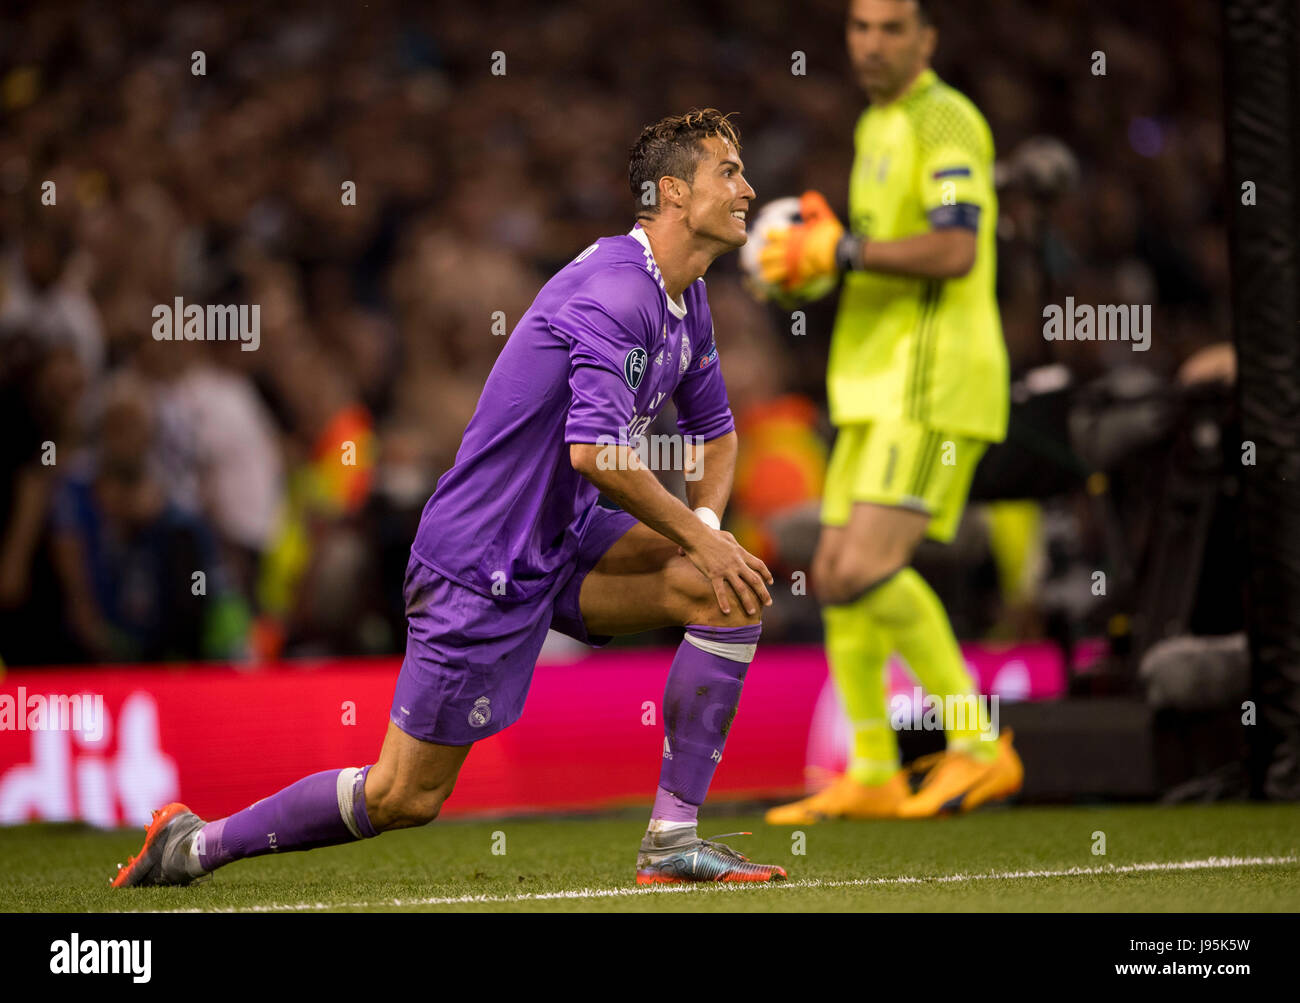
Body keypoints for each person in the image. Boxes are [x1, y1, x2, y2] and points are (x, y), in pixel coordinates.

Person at [112, 108, 788, 888]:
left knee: (729, 586)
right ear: (673, 192)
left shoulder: (684, 296)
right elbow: (596, 452)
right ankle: (194, 843)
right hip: (481, 559)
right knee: (405, 794)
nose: (748, 188)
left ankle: (673, 841)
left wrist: (706, 528)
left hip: (560, 541)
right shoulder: (615, 293)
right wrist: (702, 536)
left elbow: (717, 431)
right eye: (728, 173)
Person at [761, 0, 1022, 822]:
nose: (872, 43)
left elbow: (955, 247)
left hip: (930, 381)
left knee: (867, 565)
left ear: (926, 38)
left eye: (892, 27)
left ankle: (981, 743)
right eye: (860, 28)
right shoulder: (877, 125)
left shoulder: (945, 119)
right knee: (837, 574)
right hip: (875, 386)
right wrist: (808, 268)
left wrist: (839, 251)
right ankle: (873, 766)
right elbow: (878, 257)